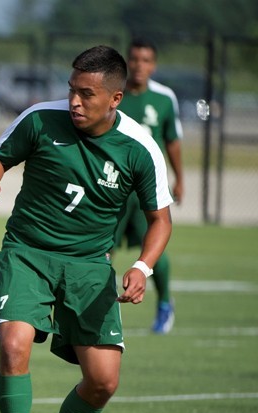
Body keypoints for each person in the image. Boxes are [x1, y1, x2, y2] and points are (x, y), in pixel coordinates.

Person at [0, 45, 172, 413]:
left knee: (103, 381)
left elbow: (160, 218)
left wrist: (142, 266)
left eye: (87, 94)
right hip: (27, 252)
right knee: (14, 343)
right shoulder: (40, 119)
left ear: (116, 98)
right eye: (71, 90)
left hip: (89, 267)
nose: (74, 102)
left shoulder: (140, 147)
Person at [116, 37, 184, 334]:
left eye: (145, 60)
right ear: (127, 61)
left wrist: (179, 177)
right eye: (134, 59)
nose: (139, 65)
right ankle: (94, 308)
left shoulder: (164, 98)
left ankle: (165, 304)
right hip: (112, 185)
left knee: (154, 249)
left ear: (153, 65)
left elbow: (172, 140)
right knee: (100, 248)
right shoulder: (114, 93)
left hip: (146, 188)